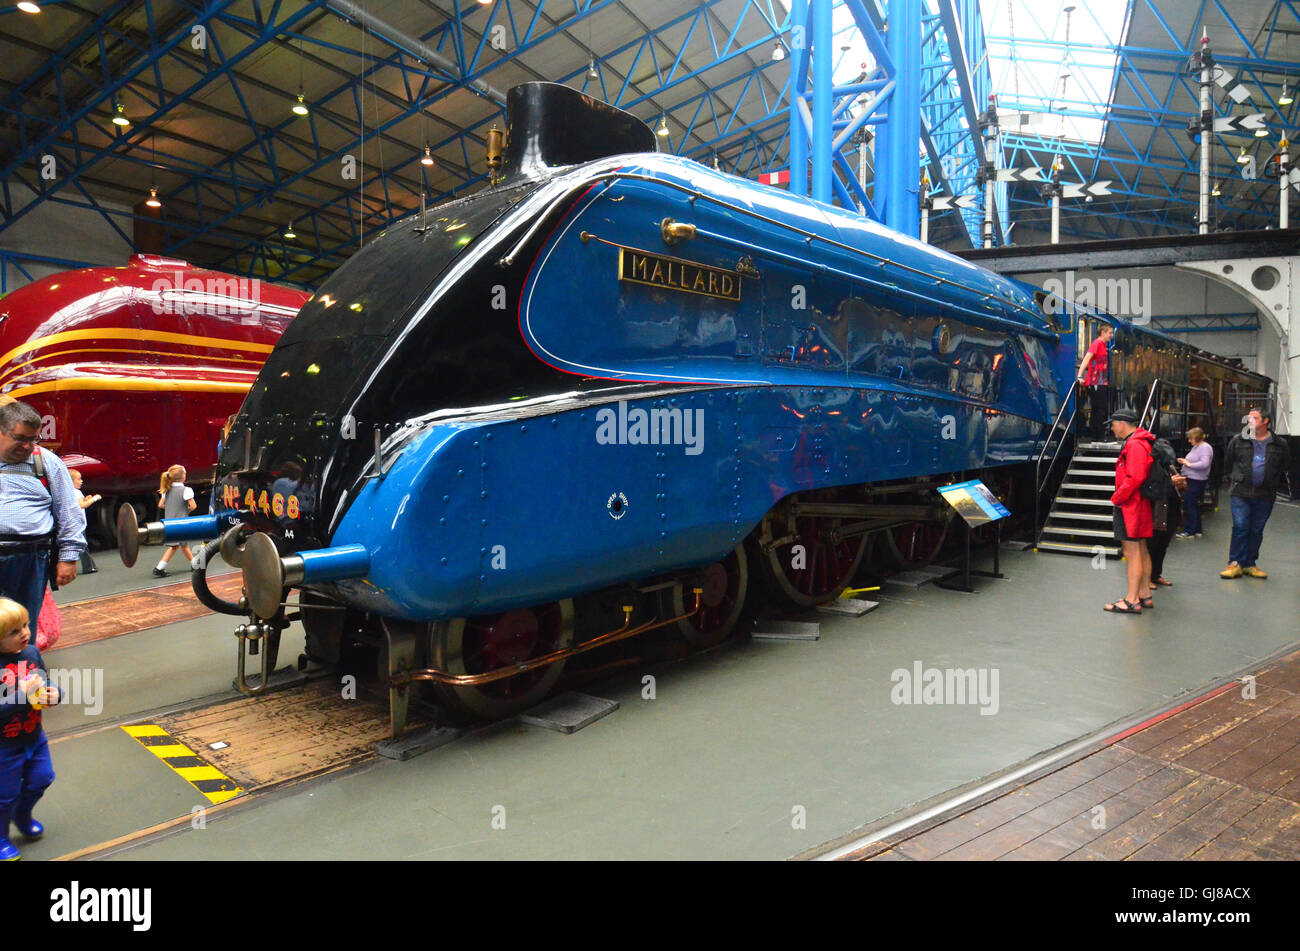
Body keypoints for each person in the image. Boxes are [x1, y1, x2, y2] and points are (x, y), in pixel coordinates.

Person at [0, 402, 85, 641]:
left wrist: (68, 558)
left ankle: (22, 676)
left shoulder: (46, 462)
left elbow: (69, 513)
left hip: (29, 561)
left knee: (20, 633)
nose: (28, 446)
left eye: (34, 439)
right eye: (20, 438)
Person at [0, 597, 59, 861]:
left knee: (42, 778)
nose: (25, 633)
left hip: (34, 736)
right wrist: (22, 696)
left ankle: (22, 815)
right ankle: (1, 836)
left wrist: (54, 694)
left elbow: (45, 682)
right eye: (14, 632)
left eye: (25, 625)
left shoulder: (32, 653)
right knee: (5, 795)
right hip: (5, 746)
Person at [1220, 409, 1289, 579]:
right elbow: (1228, 462)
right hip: (1240, 492)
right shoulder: (1238, 440)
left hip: (1265, 494)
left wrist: (1272, 481)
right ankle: (1235, 563)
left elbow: (1285, 465)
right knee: (1241, 526)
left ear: (1266, 421)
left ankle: (1250, 563)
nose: (1250, 420)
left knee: (1257, 529)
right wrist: (1234, 479)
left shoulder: (1279, 444)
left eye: (1255, 418)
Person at [1104, 409, 1155, 614]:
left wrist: (1117, 498)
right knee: (1141, 549)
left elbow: (1134, 477)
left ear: (1123, 423)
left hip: (1130, 505)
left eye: (1114, 424)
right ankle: (1144, 594)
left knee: (1131, 552)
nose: (1112, 428)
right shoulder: (1143, 442)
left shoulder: (1133, 444)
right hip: (1139, 504)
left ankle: (1131, 599)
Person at [152, 464, 197, 578]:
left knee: (182, 544)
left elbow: (161, 504)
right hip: (181, 522)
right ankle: (159, 568)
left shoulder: (166, 490)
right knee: (176, 546)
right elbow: (193, 506)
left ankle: (194, 564)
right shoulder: (186, 490)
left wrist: (172, 509)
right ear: (183, 476)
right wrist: (184, 511)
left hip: (169, 522)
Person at [1077, 324, 1114, 441]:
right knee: (1099, 409)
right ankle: (1098, 436)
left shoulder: (1103, 345)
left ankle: (1099, 435)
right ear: (1103, 332)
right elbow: (1087, 358)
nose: (1111, 336)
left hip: (1101, 382)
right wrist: (1080, 375)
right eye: (1110, 333)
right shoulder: (1097, 343)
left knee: (1100, 409)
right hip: (1095, 382)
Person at [1175, 428, 1213, 538]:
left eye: (1191, 438)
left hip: (1196, 479)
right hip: (1194, 478)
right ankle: (1197, 529)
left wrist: (1188, 464)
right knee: (1194, 505)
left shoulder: (1204, 448)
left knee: (1189, 505)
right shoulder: (1198, 447)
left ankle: (1189, 531)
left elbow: (1205, 464)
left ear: (1196, 437)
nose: (1189, 441)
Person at [68, 469, 101, 574]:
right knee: (82, 546)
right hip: (78, 524)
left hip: (76, 524)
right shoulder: (76, 492)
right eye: (78, 479)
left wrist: (86, 499)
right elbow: (82, 506)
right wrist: (94, 499)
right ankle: (88, 567)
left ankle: (90, 566)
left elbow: (80, 503)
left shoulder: (70, 492)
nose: (81, 481)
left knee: (83, 545)